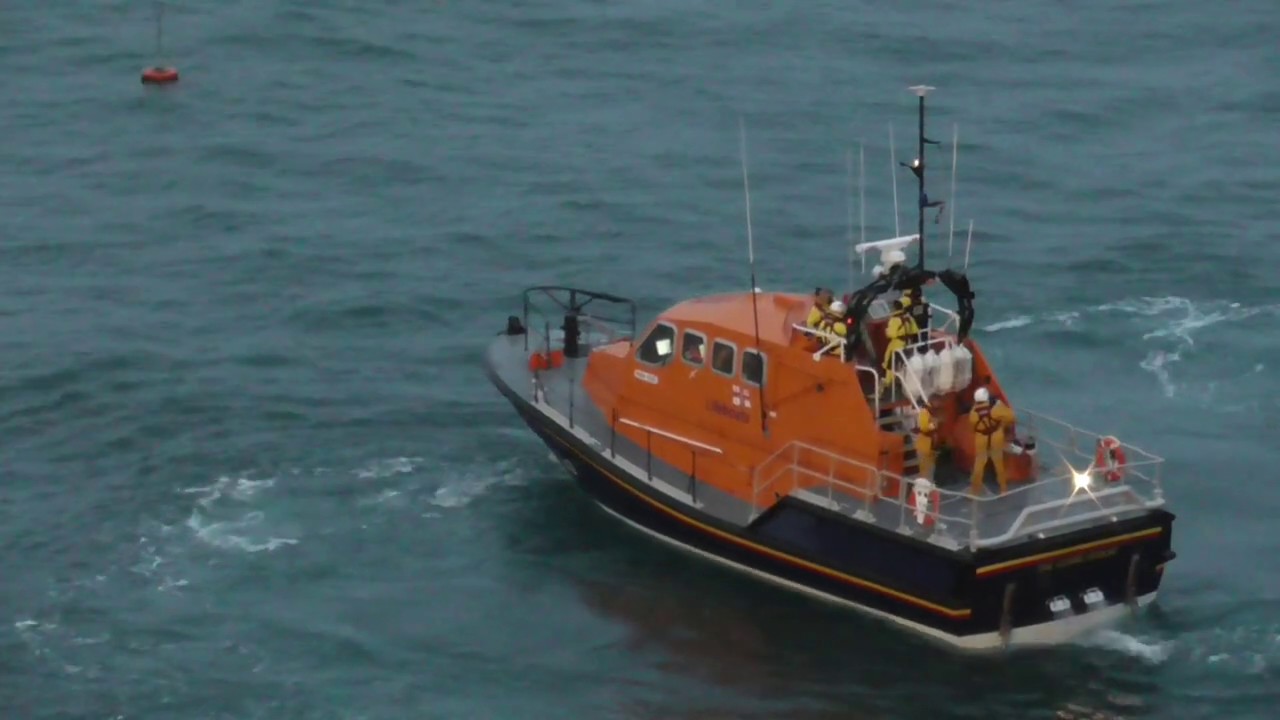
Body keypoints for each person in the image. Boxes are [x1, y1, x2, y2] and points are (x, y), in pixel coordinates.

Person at [969, 386, 1016, 494]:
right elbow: (1011, 416)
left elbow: (973, 427)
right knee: (998, 462)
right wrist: (1001, 406)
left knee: (979, 463)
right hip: (996, 436)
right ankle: (1003, 489)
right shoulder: (996, 409)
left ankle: (974, 491)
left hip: (981, 438)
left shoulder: (973, 413)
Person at [881, 296, 918, 391]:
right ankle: (898, 380)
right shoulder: (909, 318)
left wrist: (887, 331)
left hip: (896, 344)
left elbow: (891, 334)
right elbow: (915, 331)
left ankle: (886, 384)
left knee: (890, 364)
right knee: (900, 363)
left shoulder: (894, 320)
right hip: (906, 344)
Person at [913, 400, 939, 479]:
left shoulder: (933, 413)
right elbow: (924, 428)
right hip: (924, 444)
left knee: (931, 468)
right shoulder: (924, 412)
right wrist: (933, 425)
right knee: (925, 469)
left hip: (931, 445)